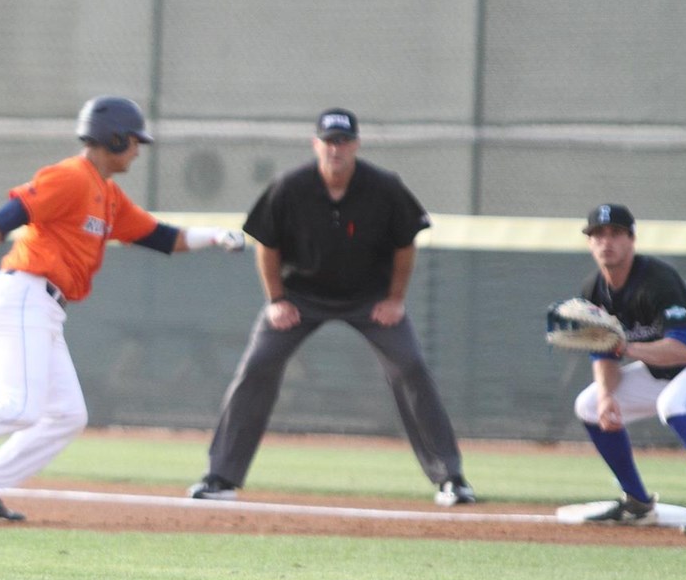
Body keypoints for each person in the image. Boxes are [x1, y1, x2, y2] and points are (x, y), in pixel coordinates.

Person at [0, 96, 246, 522]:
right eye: (134, 142)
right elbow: (11, 213)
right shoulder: (72, 176)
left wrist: (217, 236)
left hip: (44, 308)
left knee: (68, 415)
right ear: (114, 137)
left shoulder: (107, 195)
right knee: (21, 407)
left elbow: (162, 237)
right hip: (23, 295)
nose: (137, 150)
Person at [188, 109, 476, 507]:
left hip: (370, 297)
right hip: (301, 295)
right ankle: (220, 476)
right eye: (328, 140)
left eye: (343, 141)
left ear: (356, 144)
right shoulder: (290, 186)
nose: (335, 148)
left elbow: (405, 243)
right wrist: (276, 301)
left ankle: (451, 478)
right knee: (258, 365)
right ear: (315, 143)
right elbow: (266, 244)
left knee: (409, 364)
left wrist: (395, 299)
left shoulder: (383, 186)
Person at [566, 203, 686, 526]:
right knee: (590, 404)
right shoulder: (592, 290)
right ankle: (637, 503)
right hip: (664, 374)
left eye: (615, 233)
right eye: (597, 234)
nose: (606, 241)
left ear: (632, 239)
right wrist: (608, 395)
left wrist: (628, 346)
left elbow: (684, 351)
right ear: (589, 242)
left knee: (674, 403)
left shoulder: (657, 279)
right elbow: (603, 353)